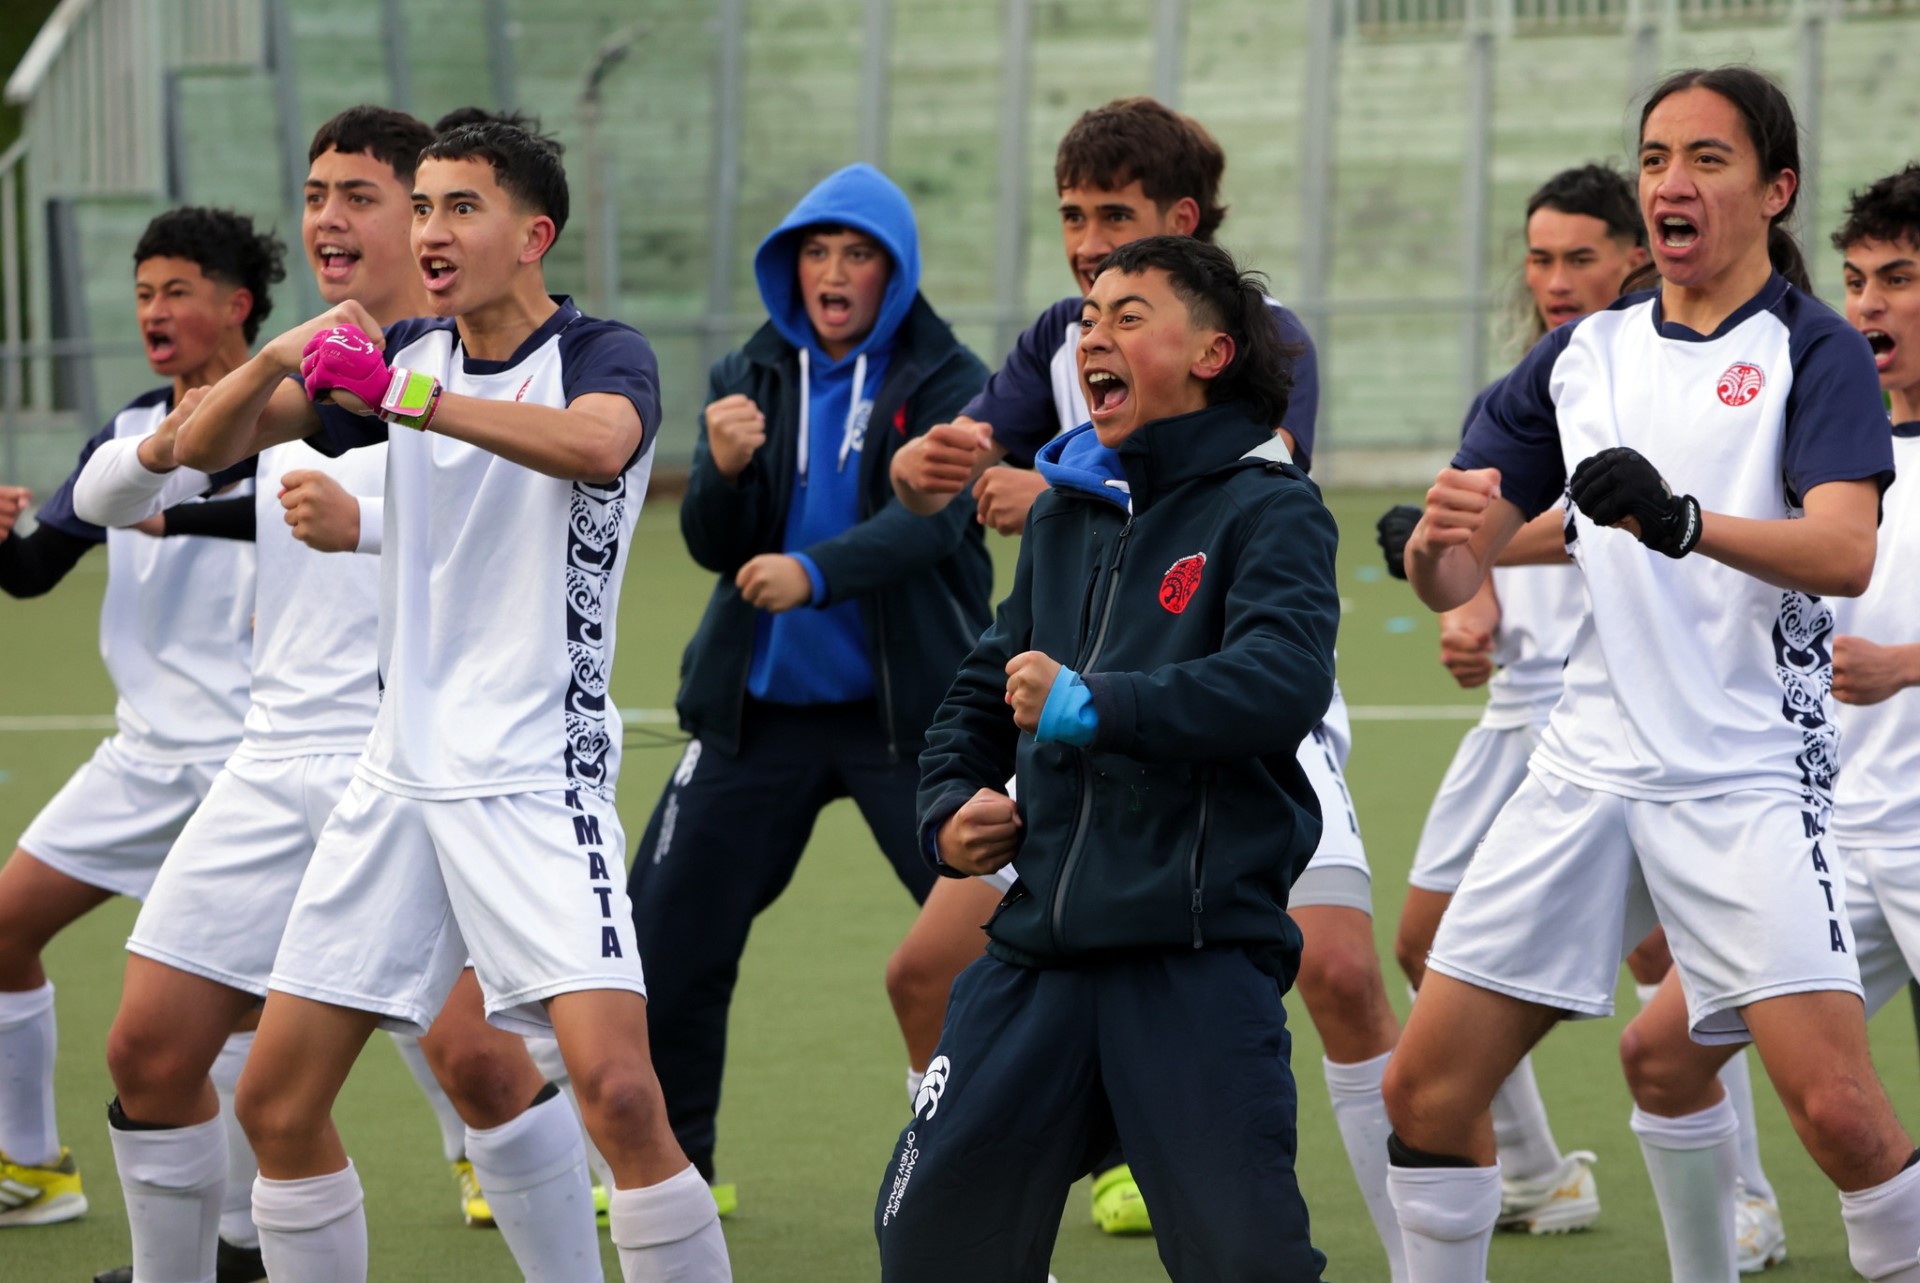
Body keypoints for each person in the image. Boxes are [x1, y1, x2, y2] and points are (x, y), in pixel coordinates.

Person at [1384, 66, 1920, 1283]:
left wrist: (1685, 520)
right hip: (1584, 770)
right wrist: (1434, 548)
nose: (1673, 182)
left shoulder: (1814, 350)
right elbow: (1457, 567)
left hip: (1745, 781)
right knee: (1425, 1089)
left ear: (1775, 190)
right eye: (1657, 158)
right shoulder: (1580, 356)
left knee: (1839, 1115)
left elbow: (1841, 548)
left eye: (1708, 160)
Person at [173, 118, 730, 1282]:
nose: (430, 230)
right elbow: (196, 447)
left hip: (535, 773)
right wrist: (283, 357)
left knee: (621, 1092)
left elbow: (595, 445)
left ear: (535, 234)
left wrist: (406, 397)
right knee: (275, 1105)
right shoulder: (404, 346)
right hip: (395, 777)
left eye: (460, 207)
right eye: (420, 206)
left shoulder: (601, 352)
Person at [74, 104, 607, 1283]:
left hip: (419, 760)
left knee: (479, 1064)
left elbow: (519, 516)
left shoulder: (475, 365)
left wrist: (363, 524)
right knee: (150, 1048)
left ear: (434, 220)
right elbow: (116, 497)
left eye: (364, 196)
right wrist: (271, 354)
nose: (329, 216)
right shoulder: (310, 373)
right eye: (317, 194)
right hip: (273, 754)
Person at [885, 95, 1404, 1273]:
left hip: (1190, 953)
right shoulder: (1070, 510)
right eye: (1089, 315)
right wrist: (951, 802)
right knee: (926, 1241)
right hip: (1035, 958)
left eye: (1130, 312)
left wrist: (1095, 704)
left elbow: (1278, 680)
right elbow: (982, 677)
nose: (1091, 331)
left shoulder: (1268, 505)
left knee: (1243, 1254)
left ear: (1211, 353)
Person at [624, 162, 989, 1208]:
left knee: (1017, 928)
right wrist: (724, 473)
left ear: (894, 271)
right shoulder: (753, 365)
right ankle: (677, 1167)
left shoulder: (950, 376)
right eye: (816, 252)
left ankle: (1101, 1159)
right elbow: (712, 545)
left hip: (910, 718)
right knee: (669, 936)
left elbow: (936, 525)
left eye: (856, 253)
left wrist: (816, 572)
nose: (833, 272)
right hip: (757, 716)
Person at [0, 206, 271, 1229]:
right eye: (145, 292)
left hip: (255, 762)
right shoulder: (126, 433)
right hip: (144, 756)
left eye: (178, 291)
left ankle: (483, 1141)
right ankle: (32, 1164)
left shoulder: (298, 418)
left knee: (339, 990)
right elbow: (33, 571)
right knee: (4, 931)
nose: (154, 311)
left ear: (236, 305)